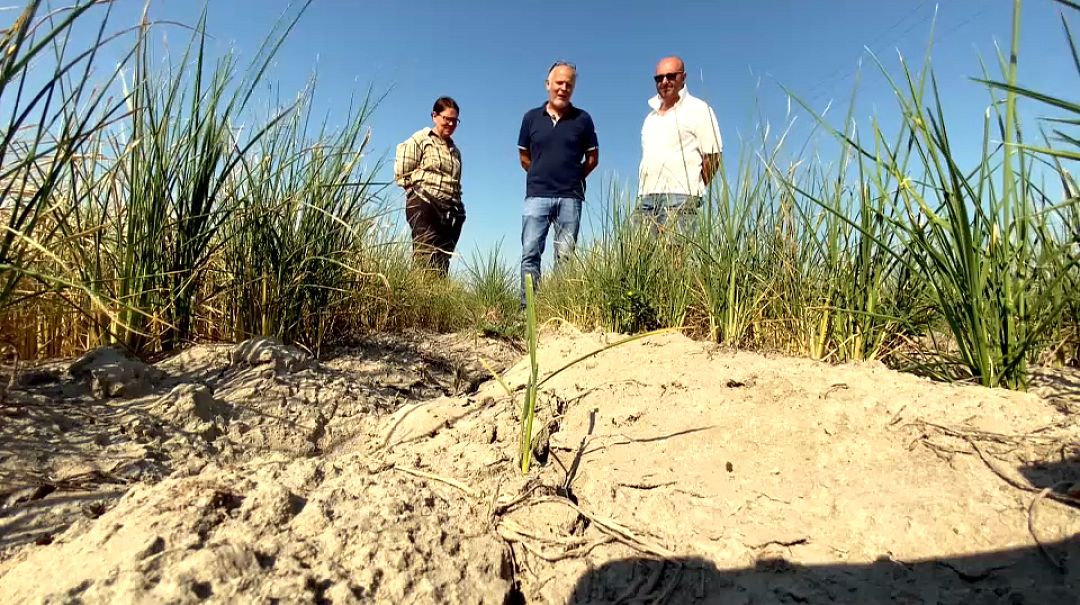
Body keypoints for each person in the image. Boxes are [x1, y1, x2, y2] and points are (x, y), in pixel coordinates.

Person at [517, 61, 599, 303]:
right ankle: (528, 309)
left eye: (569, 84)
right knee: (530, 253)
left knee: (565, 256)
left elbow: (592, 159)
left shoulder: (583, 119)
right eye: (559, 83)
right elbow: (524, 156)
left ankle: (559, 308)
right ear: (548, 84)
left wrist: (574, 177)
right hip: (537, 195)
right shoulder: (531, 118)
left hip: (570, 197)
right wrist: (539, 173)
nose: (563, 88)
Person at [637, 56, 722, 231]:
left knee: (676, 248)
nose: (664, 82)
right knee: (638, 248)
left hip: (681, 197)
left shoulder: (699, 109)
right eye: (659, 78)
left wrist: (693, 186)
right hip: (646, 198)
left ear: (683, 77)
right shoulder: (650, 118)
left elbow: (713, 156)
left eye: (670, 76)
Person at [394, 96, 464, 275]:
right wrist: (418, 194)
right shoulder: (421, 139)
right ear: (435, 116)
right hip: (425, 203)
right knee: (425, 253)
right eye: (447, 119)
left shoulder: (455, 152)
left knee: (443, 258)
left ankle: (437, 290)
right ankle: (420, 289)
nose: (451, 124)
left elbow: (456, 181)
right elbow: (402, 172)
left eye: (455, 120)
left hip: (450, 210)